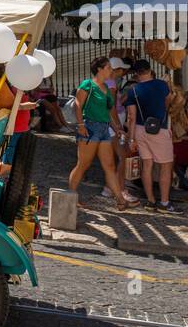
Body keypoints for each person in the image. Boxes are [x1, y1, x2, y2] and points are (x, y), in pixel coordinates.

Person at [68, 56, 133, 211]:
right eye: (108, 67)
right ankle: (70, 197)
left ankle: (120, 200)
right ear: (99, 69)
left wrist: (116, 128)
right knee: (83, 164)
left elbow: (108, 112)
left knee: (109, 166)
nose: (111, 70)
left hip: (104, 129)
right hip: (89, 127)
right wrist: (81, 125)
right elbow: (78, 104)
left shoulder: (106, 89)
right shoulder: (88, 84)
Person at [123, 60, 179, 213]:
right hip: (158, 129)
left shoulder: (133, 91)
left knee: (146, 166)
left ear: (136, 74)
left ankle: (150, 201)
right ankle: (164, 203)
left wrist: (131, 139)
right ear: (150, 70)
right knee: (165, 166)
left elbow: (131, 117)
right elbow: (168, 101)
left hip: (140, 130)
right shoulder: (161, 85)